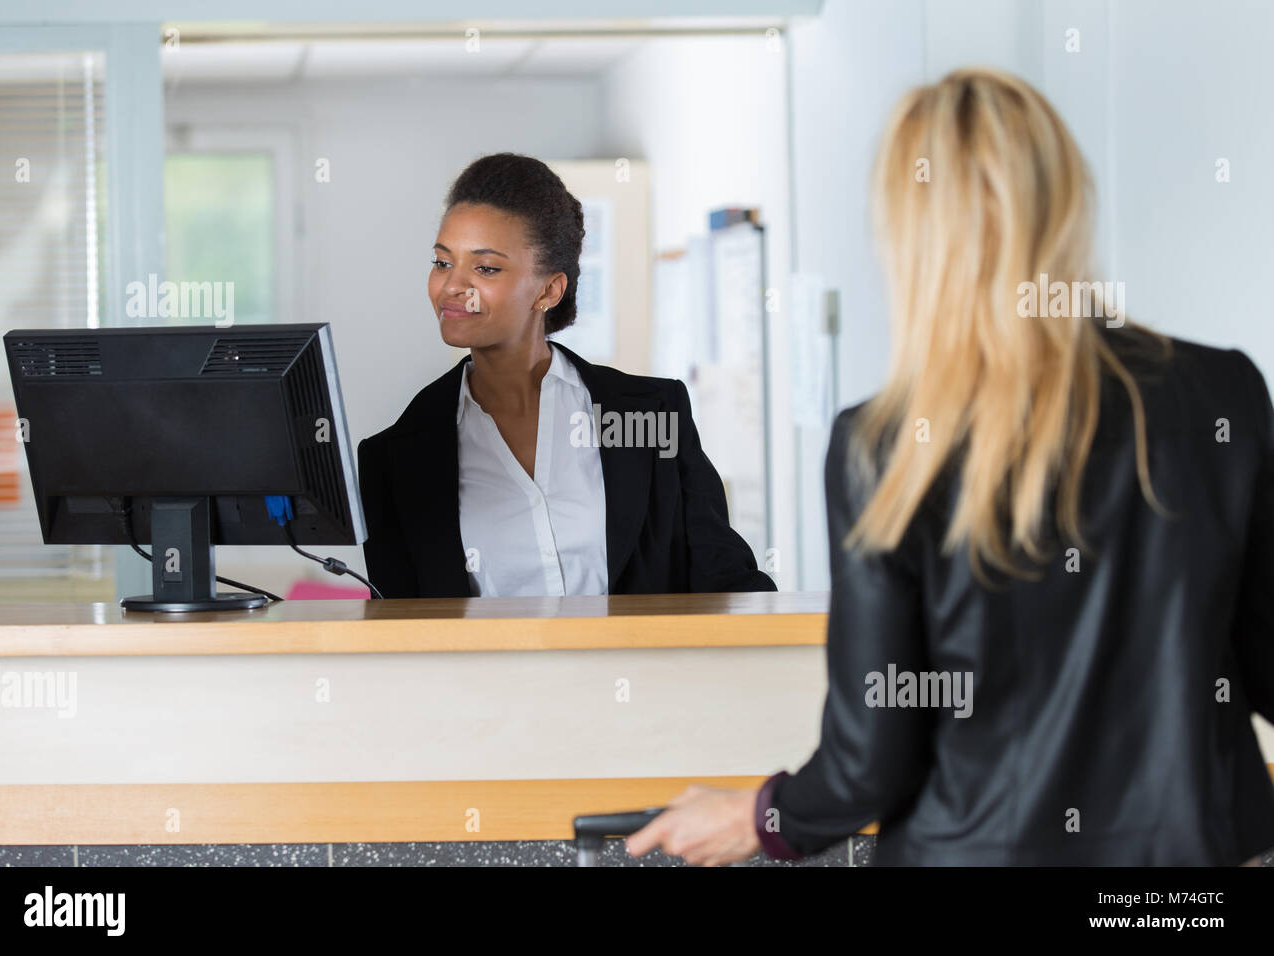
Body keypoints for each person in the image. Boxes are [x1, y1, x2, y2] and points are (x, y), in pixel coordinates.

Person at [628, 68, 1274, 866]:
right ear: (1067, 197)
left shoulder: (885, 448)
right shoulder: (1222, 393)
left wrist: (764, 816)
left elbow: (874, 756)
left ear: (907, 231)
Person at [358, 153, 774, 598]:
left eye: (485, 268)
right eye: (443, 262)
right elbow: (401, 629)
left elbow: (725, 577)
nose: (452, 286)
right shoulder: (397, 458)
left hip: (639, 667)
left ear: (549, 290)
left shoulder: (649, 416)